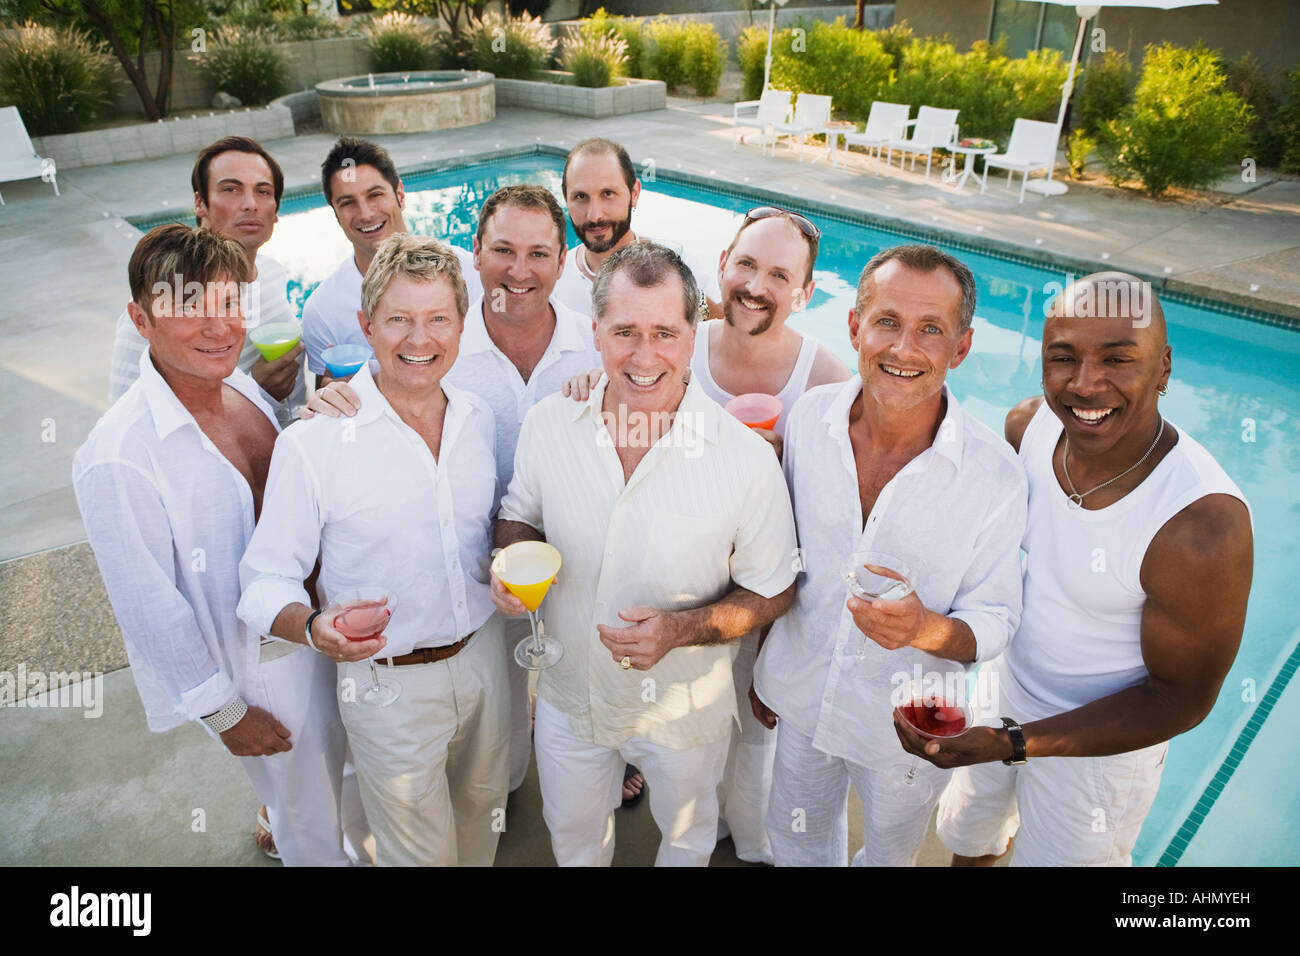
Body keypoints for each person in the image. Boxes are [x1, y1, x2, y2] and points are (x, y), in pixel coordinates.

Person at [924, 272, 1252, 867]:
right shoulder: (1029, 427)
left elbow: (1180, 701)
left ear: (1165, 367)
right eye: (1063, 357)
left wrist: (1015, 744)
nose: (1085, 384)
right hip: (1002, 692)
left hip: (1099, 756)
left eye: (1117, 359)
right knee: (967, 840)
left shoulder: (1200, 527)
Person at [492, 242, 798, 866]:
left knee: (685, 840)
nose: (644, 355)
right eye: (625, 331)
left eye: (665, 332)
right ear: (597, 332)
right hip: (567, 691)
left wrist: (682, 629)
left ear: (695, 335)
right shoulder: (550, 423)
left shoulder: (744, 458)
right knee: (572, 836)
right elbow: (518, 516)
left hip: (685, 707)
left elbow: (774, 589)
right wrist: (511, 562)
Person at [565, 205, 851, 861]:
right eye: (746, 264)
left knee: (752, 742)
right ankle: (691, 818)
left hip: (761, 595)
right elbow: (629, 384)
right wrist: (589, 383)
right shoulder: (682, 343)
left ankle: (743, 839)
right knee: (678, 737)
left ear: (805, 292)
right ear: (722, 265)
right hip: (679, 590)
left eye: (780, 274)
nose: (756, 283)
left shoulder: (827, 381)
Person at [303, 184, 601, 795]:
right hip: (473, 576)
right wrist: (327, 402)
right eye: (503, 250)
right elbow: (366, 391)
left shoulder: (595, 341)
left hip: (575, 564)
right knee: (501, 737)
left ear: (564, 260)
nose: (519, 271)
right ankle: (500, 794)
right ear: (476, 252)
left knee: (583, 691)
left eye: (540, 253)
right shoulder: (440, 341)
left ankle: (597, 765)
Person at [74, 224, 351, 866]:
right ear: (140, 319)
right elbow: (146, 602)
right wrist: (223, 713)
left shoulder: (242, 386)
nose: (217, 326)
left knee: (354, 794)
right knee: (310, 826)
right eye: (188, 306)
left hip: (320, 630)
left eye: (228, 304)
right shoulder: (119, 455)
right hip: (262, 670)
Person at [751, 244, 1028, 867]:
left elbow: (997, 621)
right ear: (854, 327)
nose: (904, 349)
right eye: (887, 322)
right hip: (798, 696)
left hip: (905, 726)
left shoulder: (995, 477)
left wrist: (924, 627)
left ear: (960, 347)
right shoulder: (807, 422)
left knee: (889, 857)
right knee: (794, 840)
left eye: (931, 329)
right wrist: (767, 662)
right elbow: (784, 559)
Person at [238, 235, 510, 866]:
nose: (421, 339)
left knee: (482, 827)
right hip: (386, 687)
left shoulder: (476, 418)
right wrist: (311, 627)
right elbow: (263, 581)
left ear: (461, 326)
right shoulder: (315, 443)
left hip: (486, 660)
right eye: (399, 320)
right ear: (365, 326)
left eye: (438, 318)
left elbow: (482, 530)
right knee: (419, 857)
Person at [107, 136, 306, 427]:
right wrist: (258, 390)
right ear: (200, 203)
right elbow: (129, 425)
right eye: (231, 189)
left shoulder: (272, 273)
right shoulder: (165, 303)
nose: (250, 204)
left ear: (275, 211)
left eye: (263, 191)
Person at [302, 137, 481, 387]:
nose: (365, 214)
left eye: (375, 195)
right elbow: (323, 393)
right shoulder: (322, 312)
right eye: (348, 203)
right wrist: (336, 394)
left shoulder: (469, 272)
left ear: (400, 194)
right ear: (335, 213)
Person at [554, 137, 721, 320]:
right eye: (580, 196)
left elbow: (724, 332)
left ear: (634, 194)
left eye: (608, 194)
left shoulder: (680, 264)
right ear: (566, 199)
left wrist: (688, 293)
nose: (594, 215)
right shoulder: (554, 279)